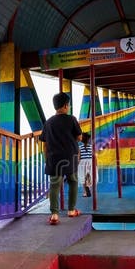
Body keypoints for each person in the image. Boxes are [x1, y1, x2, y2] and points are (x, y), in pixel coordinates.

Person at [39, 92, 82, 224]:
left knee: (55, 185)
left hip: (54, 158)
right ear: (65, 105)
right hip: (70, 157)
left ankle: (54, 215)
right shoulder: (72, 119)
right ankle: (71, 210)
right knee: (73, 181)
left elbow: (44, 144)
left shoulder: (48, 122)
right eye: (68, 105)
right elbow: (79, 137)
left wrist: (47, 158)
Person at [79, 131, 93, 197]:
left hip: (82, 162)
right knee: (89, 175)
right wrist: (96, 164)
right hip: (90, 162)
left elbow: (79, 157)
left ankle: (85, 192)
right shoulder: (91, 147)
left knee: (83, 177)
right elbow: (94, 156)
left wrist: (77, 164)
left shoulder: (80, 147)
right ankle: (88, 185)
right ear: (88, 140)